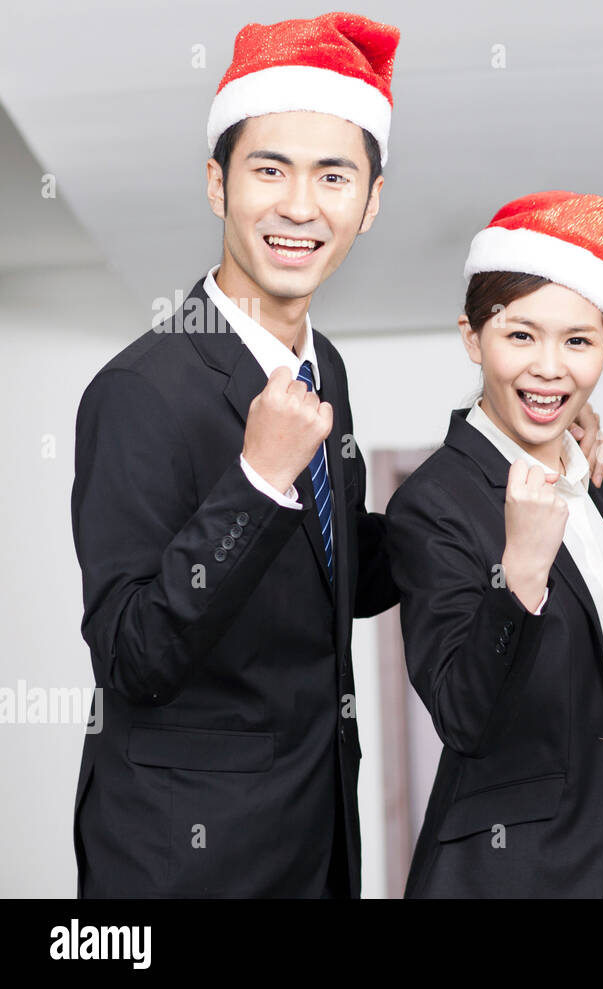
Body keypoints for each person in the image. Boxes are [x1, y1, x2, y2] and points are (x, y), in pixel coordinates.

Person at [69, 12, 406, 897]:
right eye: (270, 169)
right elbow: (133, 654)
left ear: (369, 202)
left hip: (313, 836)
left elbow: (339, 571)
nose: (301, 206)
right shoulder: (140, 388)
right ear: (218, 185)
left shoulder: (320, 366)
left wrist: (506, 455)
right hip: (181, 862)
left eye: (333, 176)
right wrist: (257, 480)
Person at [386, 191, 603, 897]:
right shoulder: (435, 501)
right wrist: (519, 575)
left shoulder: (592, 482)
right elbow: (464, 714)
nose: (549, 368)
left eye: (578, 341)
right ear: (471, 337)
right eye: (521, 335)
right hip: (516, 868)